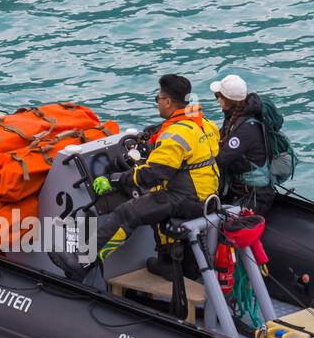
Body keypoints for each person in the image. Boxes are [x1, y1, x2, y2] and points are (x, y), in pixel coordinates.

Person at [54, 74, 220, 278]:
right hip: (207, 192)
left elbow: (154, 174)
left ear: (168, 102)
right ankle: (167, 262)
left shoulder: (176, 134)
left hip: (187, 198)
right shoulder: (204, 123)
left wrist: (114, 180)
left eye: (158, 98)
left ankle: (82, 262)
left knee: (128, 213)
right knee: (154, 199)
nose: (157, 103)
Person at [210, 73, 287, 215]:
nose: (217, 100)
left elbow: (221, 158)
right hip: (239, 190)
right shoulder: (235, 118)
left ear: (226, 100)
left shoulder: (245, 129)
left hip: (254, 197)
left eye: (217, 96)